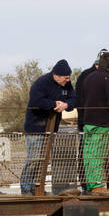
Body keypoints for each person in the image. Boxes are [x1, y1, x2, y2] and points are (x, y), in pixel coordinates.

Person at [19, 60, 75, 194]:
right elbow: (36, 101)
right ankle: (26, 188)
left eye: (69, 78)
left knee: (44, 161)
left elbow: (75, 99)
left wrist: (66, 105)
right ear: (56, 75)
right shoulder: (41, 83)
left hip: (51, 129)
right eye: (65, 78)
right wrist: (54, 104)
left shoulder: (66, 86)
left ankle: (38, 188)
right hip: (36, 128)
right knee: (34, 159)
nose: (68, 80)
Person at [80, 51, 109, 194]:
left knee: (88, 154)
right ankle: (97, 186)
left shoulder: (88, 78)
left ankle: (91, 184)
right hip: (102, 123)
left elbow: (83, 99)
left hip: (88, 122)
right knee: (98, 155)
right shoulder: (108, 79)